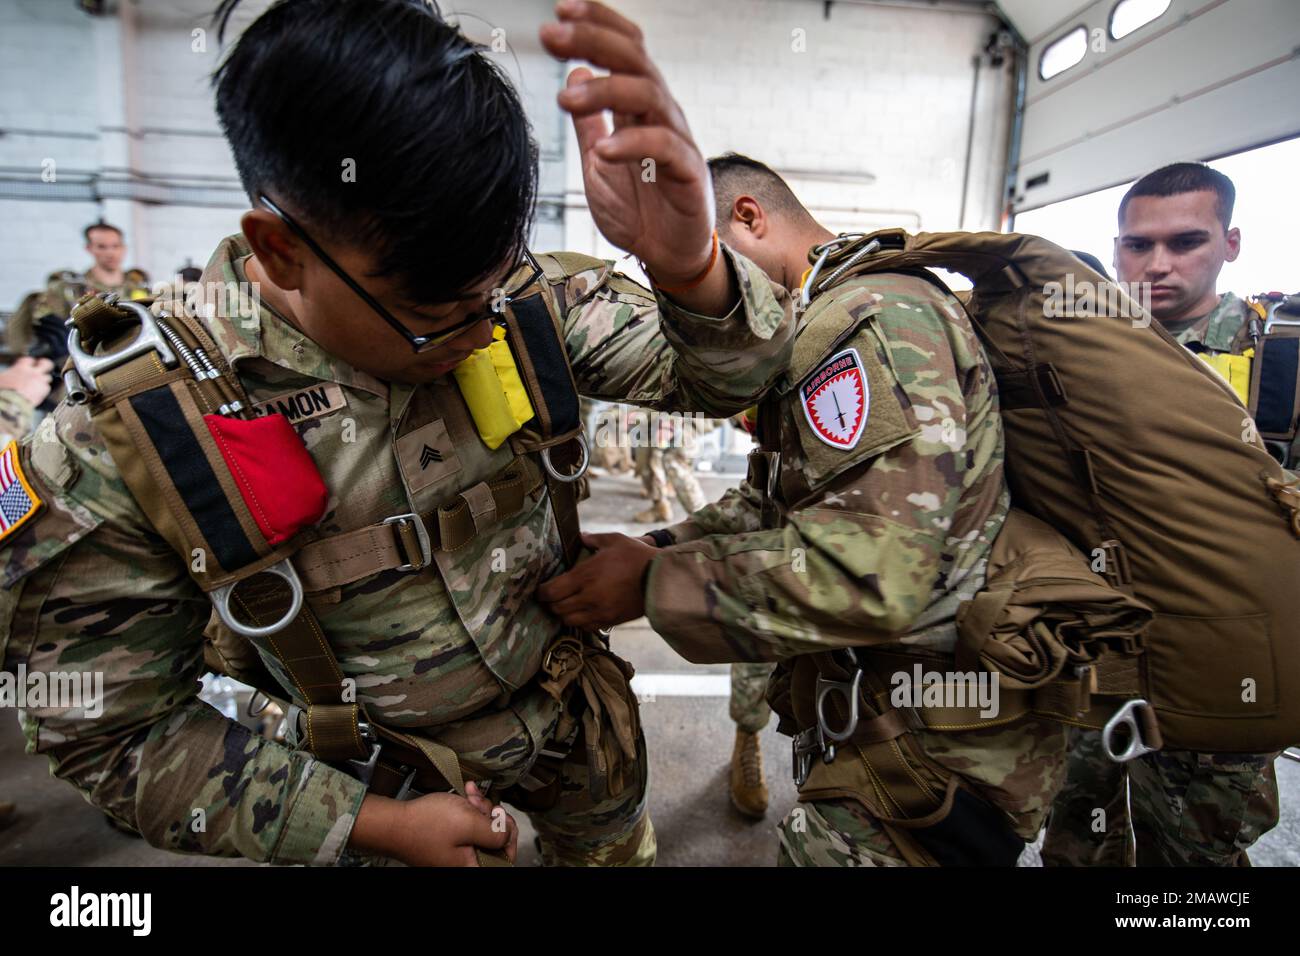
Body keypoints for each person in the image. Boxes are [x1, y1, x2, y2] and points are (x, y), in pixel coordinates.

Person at [0, 1, 792, 868]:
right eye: (435, 315)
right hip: (371, 787)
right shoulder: (134, 434)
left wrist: (692, 271)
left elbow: (735, 384)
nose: (485, 332)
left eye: (492, 292)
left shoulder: (517, 300)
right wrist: (367, 826)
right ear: (281, 249)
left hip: (580, 735)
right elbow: (109, 735)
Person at [540, 153, 1069, 866]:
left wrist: (649, 585)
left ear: (747, 217)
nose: (698, 313)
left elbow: (871, 575)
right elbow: (777, 499)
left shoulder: (863, 318)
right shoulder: (825, 320)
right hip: (893, 734)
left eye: (694, 273)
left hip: (932, 755)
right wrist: (660, 543)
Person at [1041, 162, 1280, 866]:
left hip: (1216, 655)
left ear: (1230, 243)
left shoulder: (1279, 356)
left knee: (1193, 857)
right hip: (1089, 648)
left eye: (1187, 241)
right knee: (1074, 833)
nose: (1159, 264)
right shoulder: (1071, 349)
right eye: (1137, 245)